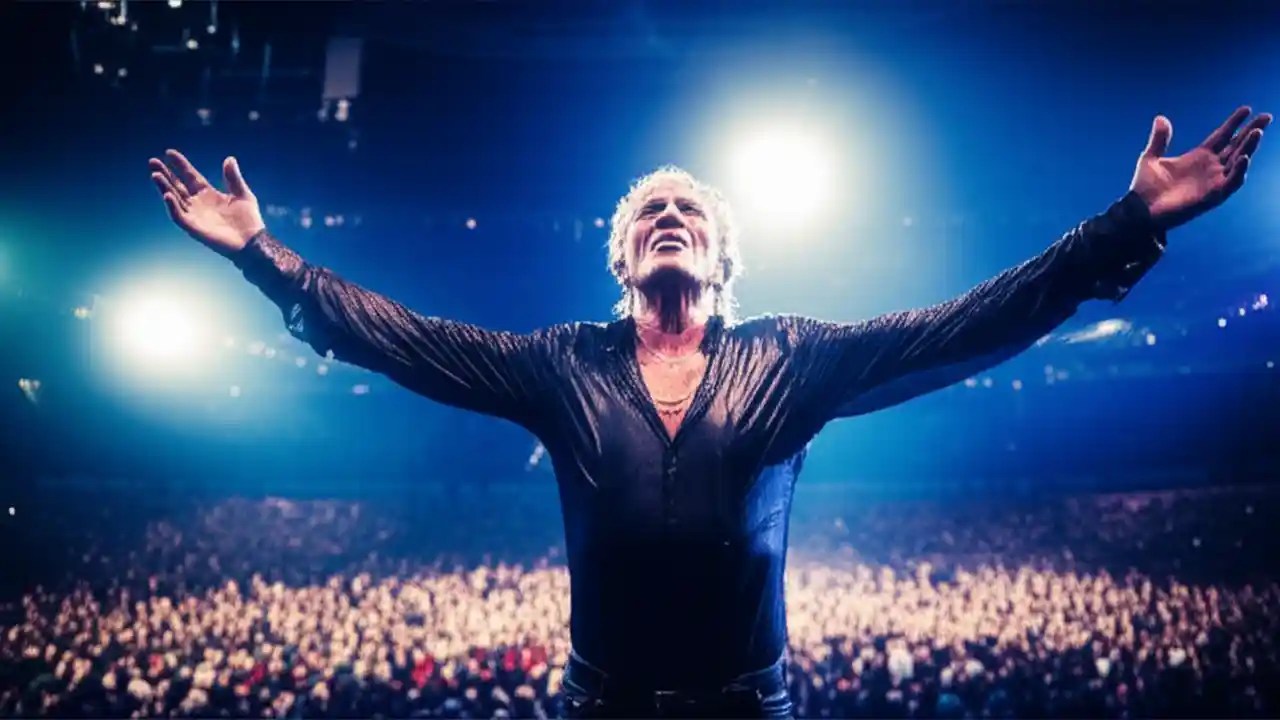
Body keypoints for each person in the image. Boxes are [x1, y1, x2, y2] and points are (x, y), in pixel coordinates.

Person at [148, 106, 1267, 718]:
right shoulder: (559, 365)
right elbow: (404, 340)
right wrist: (263, 258)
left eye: (689, 208)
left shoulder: (791, 357)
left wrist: (1127, 224)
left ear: (722, 256)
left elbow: (970, 324)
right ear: (623, 258)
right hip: (602, 703)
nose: (670, 214)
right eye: (650, 211)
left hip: (747, 706)